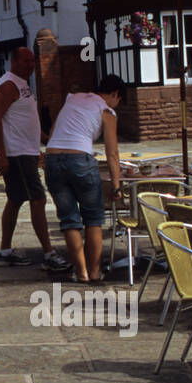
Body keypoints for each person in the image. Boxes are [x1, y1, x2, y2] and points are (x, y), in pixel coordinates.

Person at [43, 75, 125, 284]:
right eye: (119, 100)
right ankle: (96, 272)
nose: (118, 104)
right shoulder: (107, 112)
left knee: (69, 219)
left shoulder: (72, 99)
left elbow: (53, 132)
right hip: (80, 159)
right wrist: (116, 186)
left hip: (53, 159)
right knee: (93, 217)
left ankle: (81, 273)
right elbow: (112, 152)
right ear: (115, 94)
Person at [0, 47, 62, 271]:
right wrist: (1, 155)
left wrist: (41, 138)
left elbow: (22, 119)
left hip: (26, 152)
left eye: (32, 61)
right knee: (38, 199)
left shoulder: (22, 84)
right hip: (17, 154)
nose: (30, 65)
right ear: (14, 62)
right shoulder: (8, 85)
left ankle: (5, 252)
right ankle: (49, 253)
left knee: (15, 200)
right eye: (25, 61)